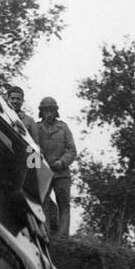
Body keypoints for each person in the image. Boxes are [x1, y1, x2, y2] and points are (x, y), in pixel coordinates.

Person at [34, 96, 76, 236]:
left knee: (64, 204)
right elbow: (31, 148)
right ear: (41, 112)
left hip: (61, 173)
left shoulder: (63, 127)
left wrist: (62, 162)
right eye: (46, 111)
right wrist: (35, 167)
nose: (49, 114)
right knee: (42, 202)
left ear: (56, 111)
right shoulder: (36, 128)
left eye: (51, 110)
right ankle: (44, 232)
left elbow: (72, 150)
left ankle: (63, 236)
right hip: (43, 172)